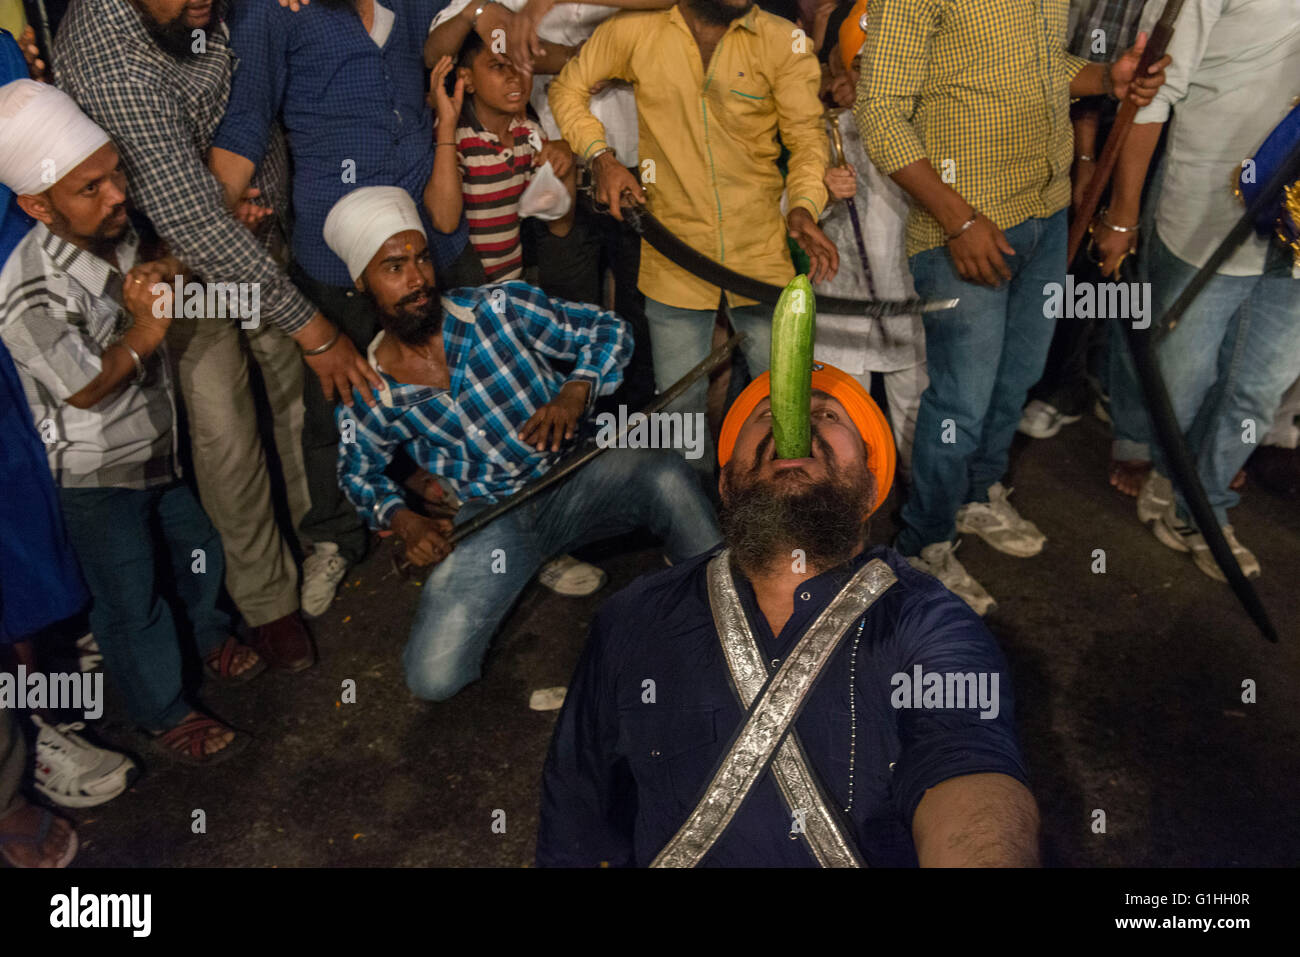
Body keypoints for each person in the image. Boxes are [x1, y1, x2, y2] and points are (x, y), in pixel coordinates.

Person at [537, 365, 1039, 866]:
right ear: (727, 483)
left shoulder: (927, 622)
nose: (794, 427)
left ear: (871, 485)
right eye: (768, 415)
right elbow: (577, 799)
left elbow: (968, 768)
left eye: (826, 414)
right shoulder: (634, 615)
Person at [53, 0, 373, 660]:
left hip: (261, 230)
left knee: (292, 400)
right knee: (226, 428)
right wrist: (316, 330)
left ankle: (325, 535)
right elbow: (195, 222)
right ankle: (266, 599)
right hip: (175, 262)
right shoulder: (111, 60)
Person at [325, 187, 723, 701]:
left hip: (577, 477)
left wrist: (577, 389)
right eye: (394, 267)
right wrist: (403, 520)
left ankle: (723, 596)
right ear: (362, 282)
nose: (418, 279)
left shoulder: (497, 308)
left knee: (667, 473)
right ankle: (531, 561)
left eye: (422, 258)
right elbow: (357, 473)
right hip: (493, 516)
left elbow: (606, 329)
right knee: (432, 678)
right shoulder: (369, 390)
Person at [854, 0, 1168, 614]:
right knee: (961, 402)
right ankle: (925, 544)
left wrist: (1109, 80)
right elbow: (880, 110)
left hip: (1044, 212)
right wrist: (956, 217)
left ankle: (976, 493)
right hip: (964, 228)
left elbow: (1042, 67)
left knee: (1016, 379)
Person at [0, 79, 264, 764]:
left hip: (154, 446)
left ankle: (208, 636)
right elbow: (86, 385)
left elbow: (152, 272)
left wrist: (177, 263)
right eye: (91, 187)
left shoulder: (110, 231)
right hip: (96, 476)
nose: (117, 193)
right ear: (36, 205)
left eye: (115, 172)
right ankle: (161, 710)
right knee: (130, 598)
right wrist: (148, 330)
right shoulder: (26, 290)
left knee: (198, 545)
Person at [206, 0, 481, 609]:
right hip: (339, 247)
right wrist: (203, 220)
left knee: (467, 374)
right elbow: (246, 119)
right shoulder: (272, 14)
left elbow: (459, 27)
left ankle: (498, 509)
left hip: (431, 230)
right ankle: (335, 536)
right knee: (338, 401)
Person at [549, 0, 840, 473]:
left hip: (760, 257)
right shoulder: (636, 30)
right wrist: (600, 157)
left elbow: (807, 138)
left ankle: (775, 524)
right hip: (673, 257)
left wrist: (805, 207)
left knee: (784, 403)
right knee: (680, 413)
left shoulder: (783, 40)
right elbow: (568, 87)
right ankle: (699, 536)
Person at [1093, 0, 1300, 581]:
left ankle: (1202, 509)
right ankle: (1164, 465)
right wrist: (1123, 215)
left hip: (1298, 241)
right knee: (1181, 375)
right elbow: (1150, 93)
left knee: (1258, 389)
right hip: (1211, 209)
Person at [816, 37, 926, 480]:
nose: (871, 79)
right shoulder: (830, 132)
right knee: (839, 434)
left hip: (907, 304)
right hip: (842, 311)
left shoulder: (927, 128)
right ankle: (844, 526)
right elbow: (791, 206)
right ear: (847, 74)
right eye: (862, 68)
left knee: (917, 426)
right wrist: (822, 190)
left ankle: (922, 517)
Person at [424, 35, 578, 289]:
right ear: (468, 79)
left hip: (511, 285)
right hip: (461, 289)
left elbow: (559, 227)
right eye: (497, 66)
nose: (514, 76)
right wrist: (448, 127)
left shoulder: (530, 135)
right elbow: (445, 220)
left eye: (520, 65)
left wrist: (566, 161)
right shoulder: (454, 135)